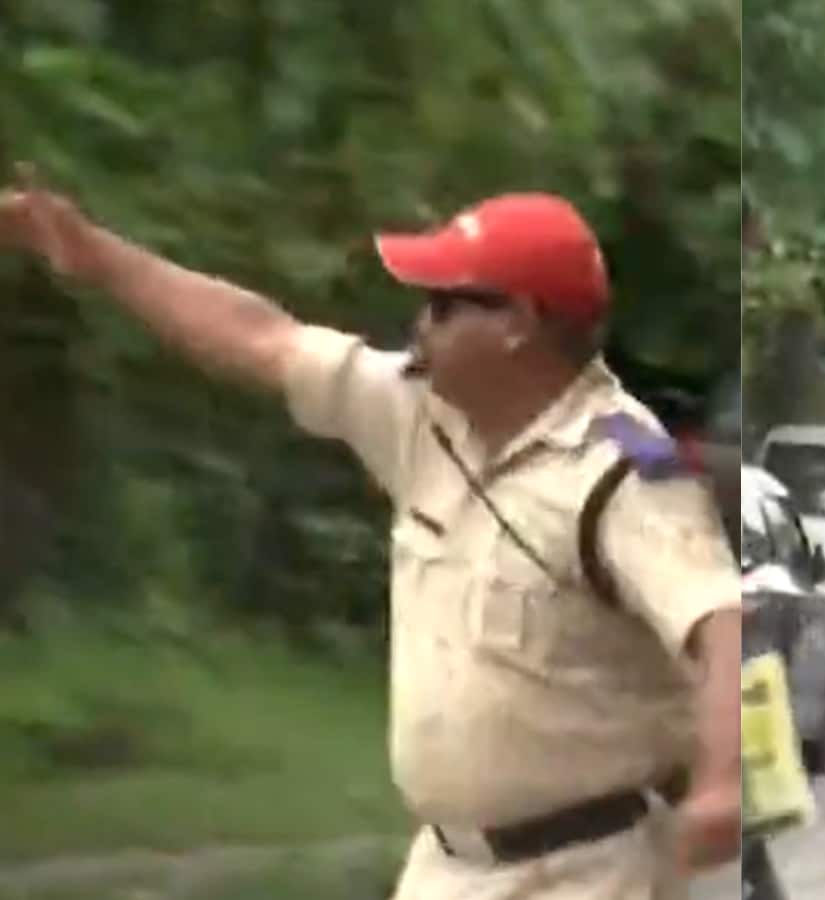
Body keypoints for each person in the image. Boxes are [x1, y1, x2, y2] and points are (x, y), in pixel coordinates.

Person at [0, 174, 741, 899]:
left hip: (588, 870)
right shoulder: (418, 414)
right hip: (447, 867)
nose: (421, 326)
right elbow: (261, 338)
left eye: (444, 305)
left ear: (517, 321)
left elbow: (718, 619)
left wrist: (721, 784)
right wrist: (96, 257)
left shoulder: (623, 471)